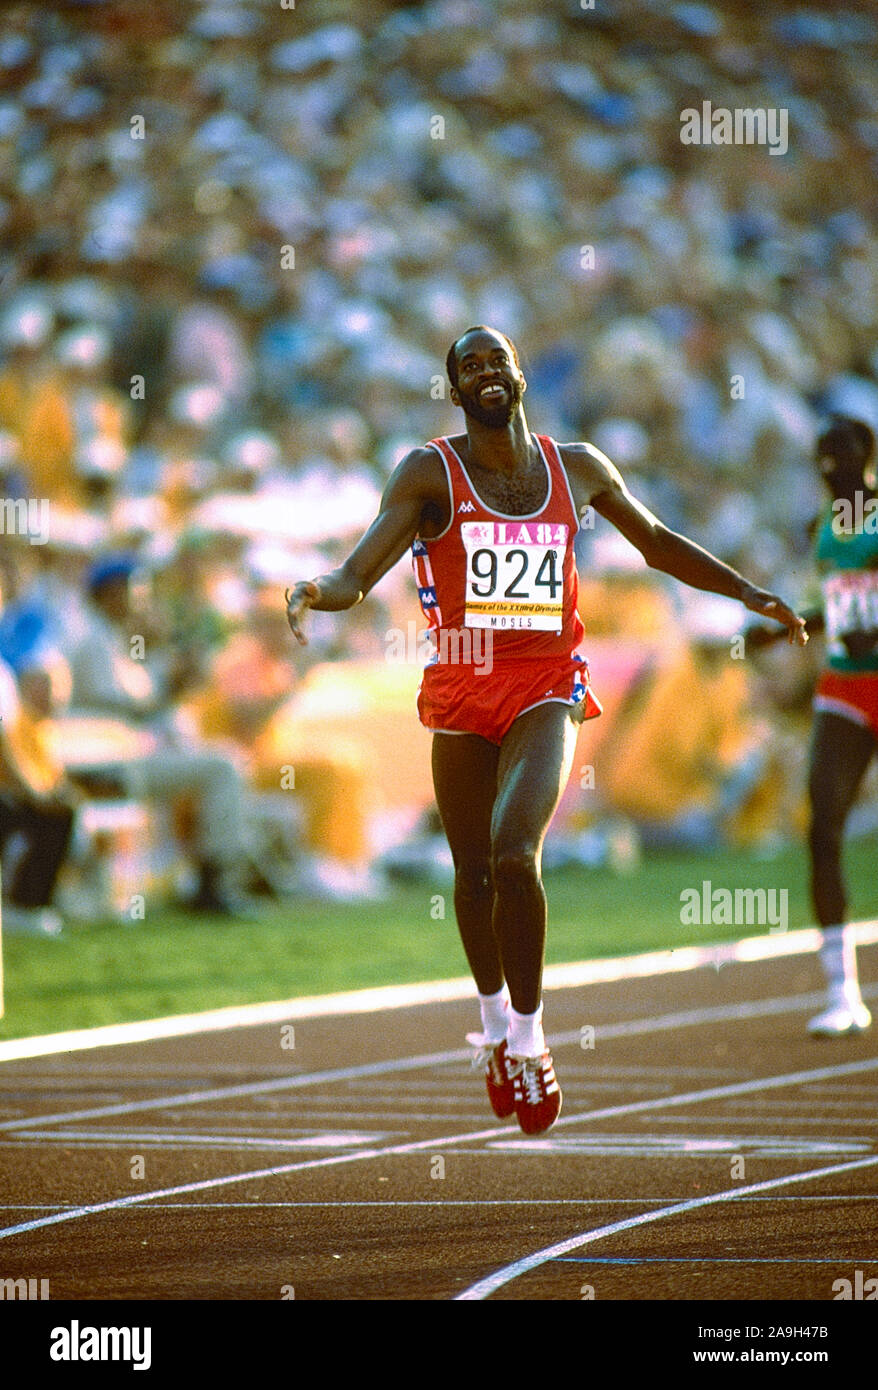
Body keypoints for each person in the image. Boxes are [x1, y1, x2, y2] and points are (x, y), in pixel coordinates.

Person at [285, 326, 807, 1134]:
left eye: (498, 359)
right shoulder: (431, 471)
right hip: (461, 684)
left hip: (546, 684)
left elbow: (659, 545)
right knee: (471, 877)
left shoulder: (581, 467)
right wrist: (316, 590)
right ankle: (492, 1025)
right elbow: (359, 572)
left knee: (513, 851)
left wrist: (748, 592)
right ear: (455, 391)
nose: (487, 373)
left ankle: (529, 1039)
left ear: (521, 372)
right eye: (469, 367)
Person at [749, 416, 876, 1036]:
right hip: (847, 686)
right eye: (823, 454)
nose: (832, 464)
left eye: (844, 452)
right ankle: (842, 991)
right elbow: (839, 606)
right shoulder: (823, 527)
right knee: (822, 823)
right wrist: (775, 629)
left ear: (867, 456)